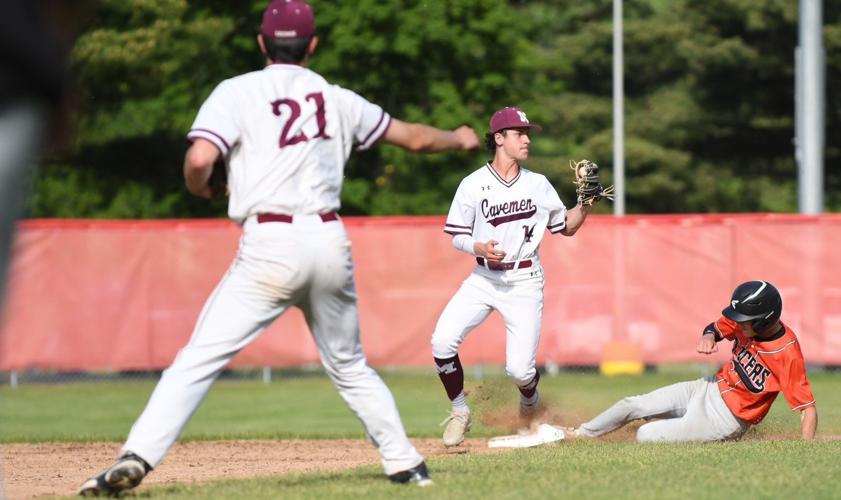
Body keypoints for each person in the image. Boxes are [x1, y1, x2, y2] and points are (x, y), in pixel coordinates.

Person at [78, 0, 480, 495]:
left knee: (198, 358)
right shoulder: (337, 98)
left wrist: (200, 185)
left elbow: (201, 157)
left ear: (262, 43)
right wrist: (460, 138)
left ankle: (137, 457)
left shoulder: (237, 91)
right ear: (312, 46)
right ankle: (406, 465)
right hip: (329, 239)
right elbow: (415, 139)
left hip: (269, 243)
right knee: (350, 364)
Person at [431, 106, 595, 447]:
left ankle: (530, 402)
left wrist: (585, 204)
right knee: (442, 342)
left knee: (520, 371)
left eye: (527, 133)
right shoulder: (473, 184)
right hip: (484, 278)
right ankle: (460, 410)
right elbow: (457, 235)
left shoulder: (538, 184)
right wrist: (477, 246)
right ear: (499, 138)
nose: (527, 139)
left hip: (525, 280)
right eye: (520, 133)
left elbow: (565, 227)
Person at [566, 280, 818, 443]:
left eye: (744, 319)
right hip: (706, 387)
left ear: (764, 319)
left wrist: (806, 449)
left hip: (725, 419)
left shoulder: (787, 352)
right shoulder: (746, 324)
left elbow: (807, 408)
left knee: (645, 435)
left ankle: (672, 427)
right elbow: (716, 328)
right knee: (633, 405)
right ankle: (579, 435)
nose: (738, 322)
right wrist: (708, 337)